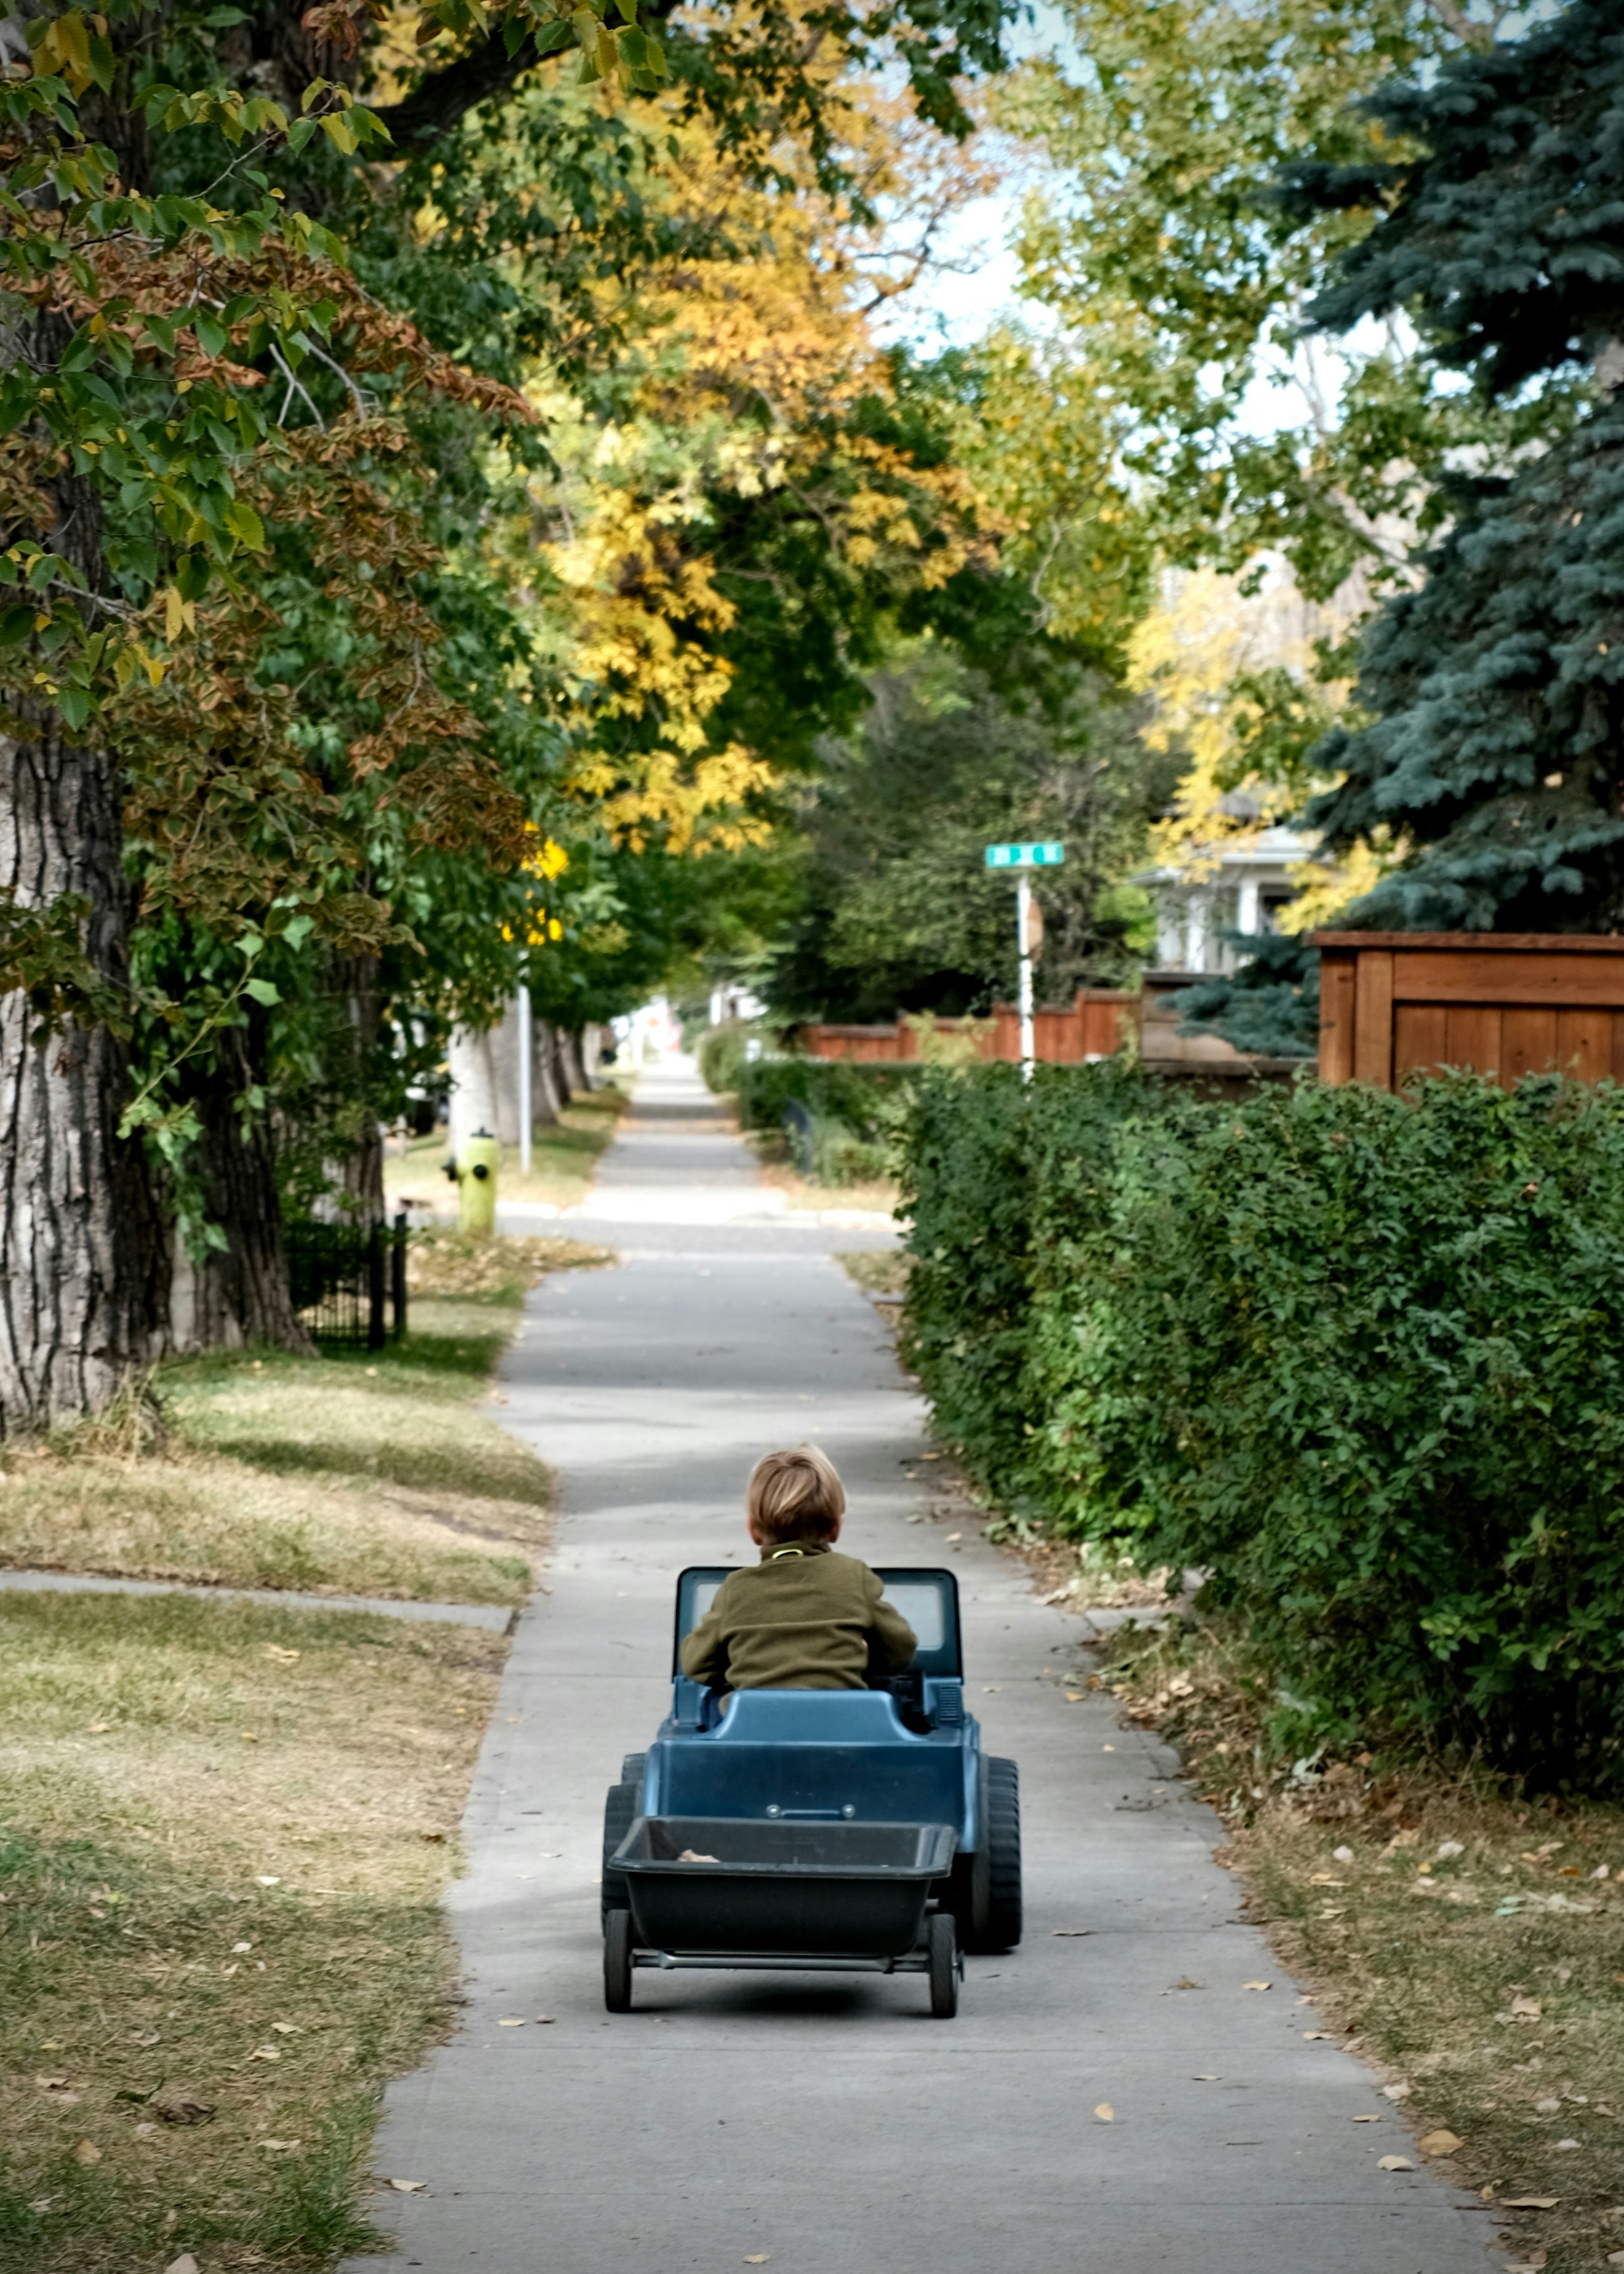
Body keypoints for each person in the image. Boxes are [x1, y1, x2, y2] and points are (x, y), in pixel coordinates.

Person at [681, 1445, 916, 1693]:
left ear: (753, 1531)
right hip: (842, 1724)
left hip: (755, 1725)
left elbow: (696, 1664)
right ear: (837, 1527)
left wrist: (738, 1675)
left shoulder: (736, 1588)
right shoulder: (853, 1575)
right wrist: (855, 1666)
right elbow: (900, 1650)